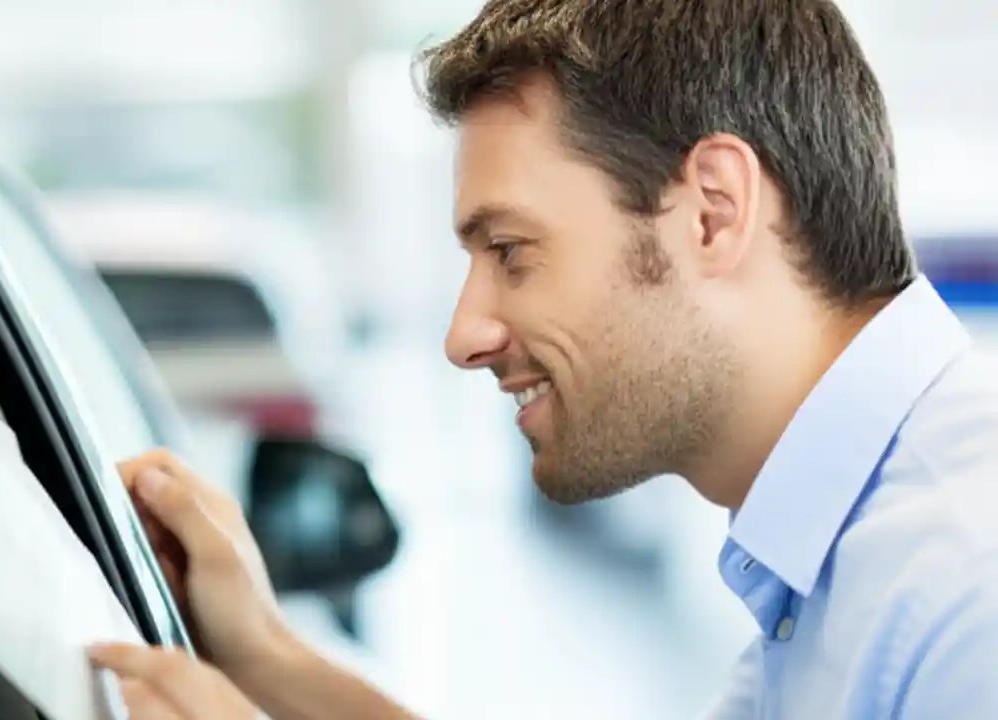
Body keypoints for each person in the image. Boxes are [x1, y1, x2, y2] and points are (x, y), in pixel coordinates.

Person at [88, 0, 998, 717]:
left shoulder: (961, 593)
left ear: (713, 213)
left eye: (511, 252)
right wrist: (264, 658)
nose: (465, 334)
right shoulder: (860, 556)